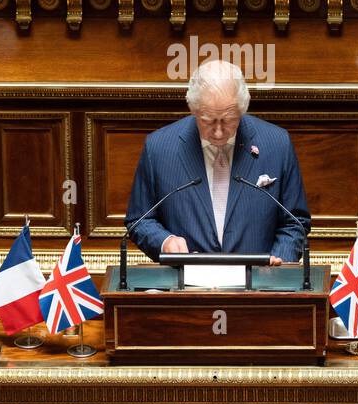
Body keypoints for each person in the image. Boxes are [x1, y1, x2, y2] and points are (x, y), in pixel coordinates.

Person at [125, 61, 311, 264]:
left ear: (242, 108)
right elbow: (140, 219)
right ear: (193, 109)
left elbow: (295, 222)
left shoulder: (277, 144)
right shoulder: (159, 148)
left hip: (258, 287)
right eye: (208, 121)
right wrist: (164, 241)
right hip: (185, 287)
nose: (219, 131)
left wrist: (278, 264)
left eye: (229, 119)